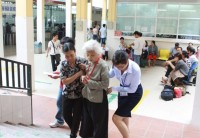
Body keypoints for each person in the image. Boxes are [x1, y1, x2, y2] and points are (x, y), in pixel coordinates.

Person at [107, 50, 143, 138]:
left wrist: (114, 88)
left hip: (134, 93)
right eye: (118, 67)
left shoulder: (135, 69)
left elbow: (132, 89)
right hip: (123, 91)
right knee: (124, 115)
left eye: (123, 66)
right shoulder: (115, 65)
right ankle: (126, 134)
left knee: (116, 118)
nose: (120, 69)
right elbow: (110, 75)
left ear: (127, 60)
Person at [80, 40, 109, 138]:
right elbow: (89, 73)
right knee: (87, 120)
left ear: (98, 54)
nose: (89, 57)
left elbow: (105, 84)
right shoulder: (90, 62)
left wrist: (88, 82)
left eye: (92, 55)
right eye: (87, 55)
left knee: (99, 123)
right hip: (87, 96)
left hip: (98, 99)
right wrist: (84, 72)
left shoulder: (103, 65)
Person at [60, 41, 87, 138]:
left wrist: (85, 70)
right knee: (66, 115)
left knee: (77, 116)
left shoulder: (82, 61)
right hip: (67, 93)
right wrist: (78, 74)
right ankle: (75, 129)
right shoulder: (64, 64)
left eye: (71, 55)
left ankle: (73, 134)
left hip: (79, 94)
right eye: (67, 56)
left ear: (75, 52)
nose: (69, 58)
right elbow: (65, 81)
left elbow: (90, 73)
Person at [49, 37, 74, 128]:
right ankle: (59, 120)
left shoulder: (76, 60)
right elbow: (65, 73)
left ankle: (76, 123)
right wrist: (58, 74)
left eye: (63, 46)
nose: (62, 48)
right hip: (62, 85)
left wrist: (60, 76)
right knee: (59, 102)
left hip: (73, 87)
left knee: (73, 107)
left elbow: (73, 74)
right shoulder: (64, 60)